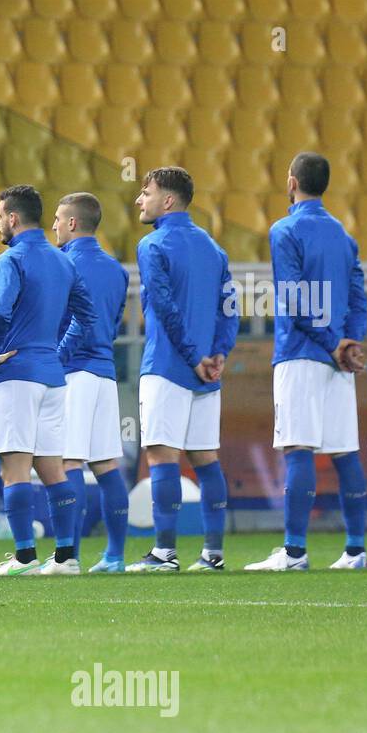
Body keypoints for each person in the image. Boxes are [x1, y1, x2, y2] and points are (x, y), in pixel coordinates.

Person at [245, 152, 367, 572]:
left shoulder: (284, 230)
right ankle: (355, 551)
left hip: (301, 353)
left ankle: (295, 552)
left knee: (298, 447)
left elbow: (294, 297)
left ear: (291, 182)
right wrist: (349, 343)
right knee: (344, 451)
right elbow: (358, 296)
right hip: (338, 362)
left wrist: (333, 343)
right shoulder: (343, 235)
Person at [0, 185, 98, 576]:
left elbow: (0, 310)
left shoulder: (11, 259)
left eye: (0, 216)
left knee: (13, 470)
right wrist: (57, 354)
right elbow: (88, 317)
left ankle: (24, 558)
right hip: (52, 377)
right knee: (53, 470)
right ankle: (66, 558)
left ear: (13, 218)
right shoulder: (63, 261)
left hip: (17, 375)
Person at [127, 167, 238, 572]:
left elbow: (163, 307)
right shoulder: (213, 248)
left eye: (146, 192)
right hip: (207, 373)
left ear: (168, 200)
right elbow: (230, 308)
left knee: (162, 457)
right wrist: (218, 354)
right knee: (206, 459)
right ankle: (213, 553)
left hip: (168, 365)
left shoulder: (152, 245)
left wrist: (192, 356)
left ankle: (164, 553)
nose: (140, 200)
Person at [52, 191, 132, 573]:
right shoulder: (117, 270)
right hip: (104, 373)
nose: (53, 226)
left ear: (72, 223)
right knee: (105, 464)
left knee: (68, 460)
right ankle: (114, 556)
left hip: (73, 371)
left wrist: (55, 360)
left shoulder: (62, 265)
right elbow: (114, 322)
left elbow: (64, 321)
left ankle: (68, 556)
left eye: (57, 219)